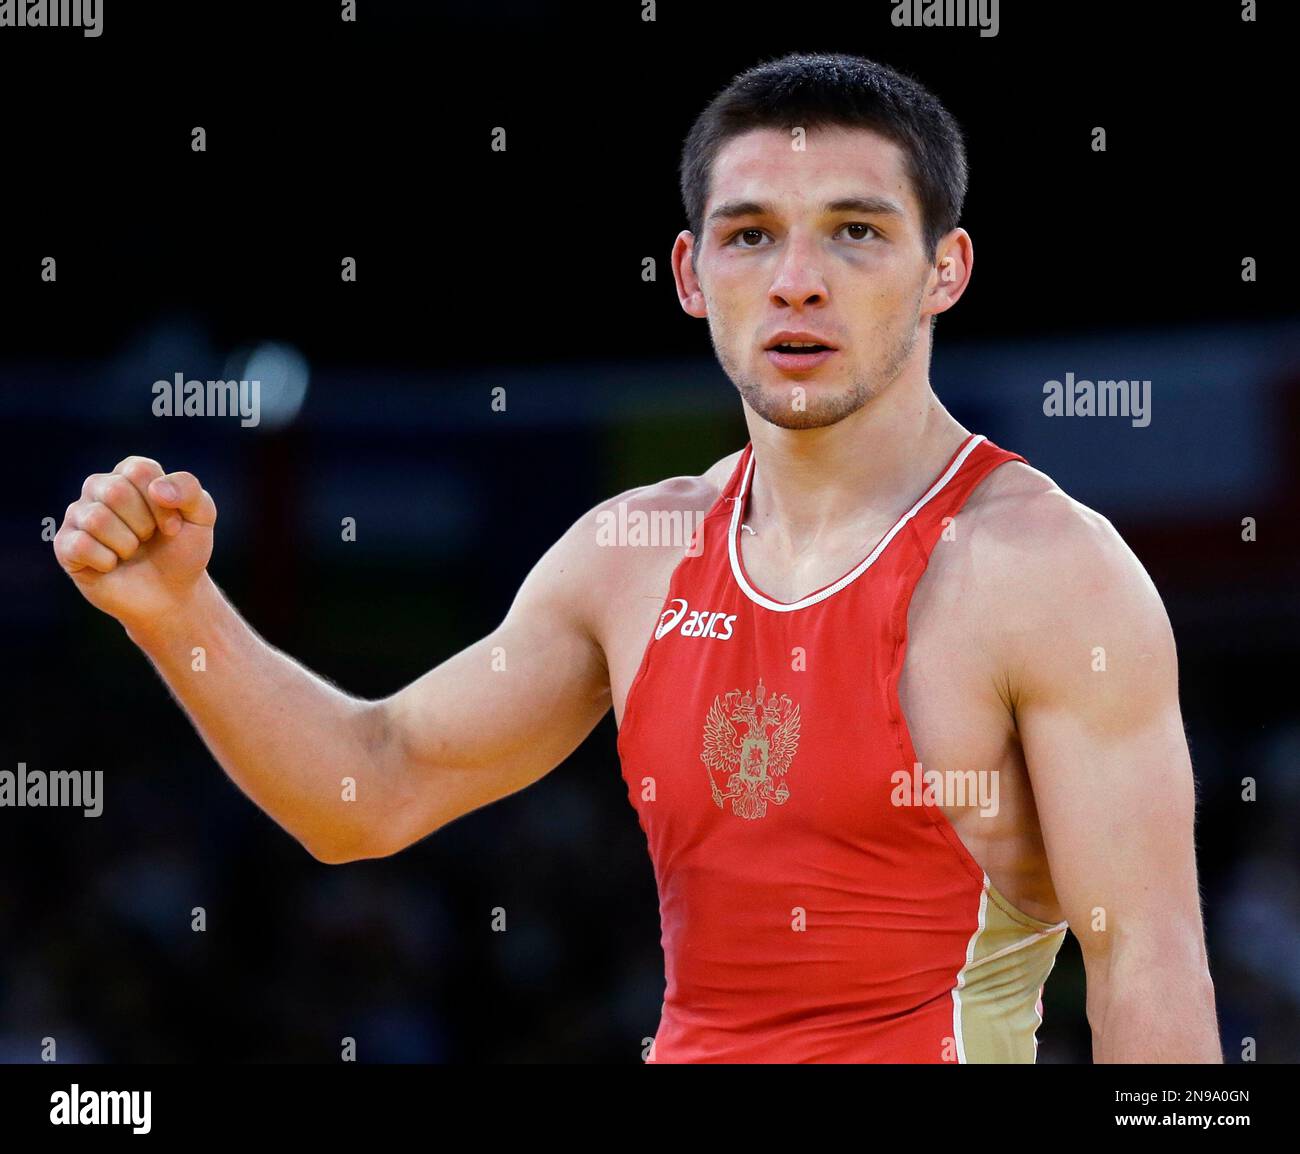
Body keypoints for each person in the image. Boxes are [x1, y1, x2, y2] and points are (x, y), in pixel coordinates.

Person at [52, 52, 1220, 1063]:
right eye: (749, 235)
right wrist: (178, 612)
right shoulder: (631, 555)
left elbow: (1149, 970)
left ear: (945, 271)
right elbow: (372, 787)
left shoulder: (1043, 569)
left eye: (856, 233)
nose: (795, 279)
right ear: (687, 274)